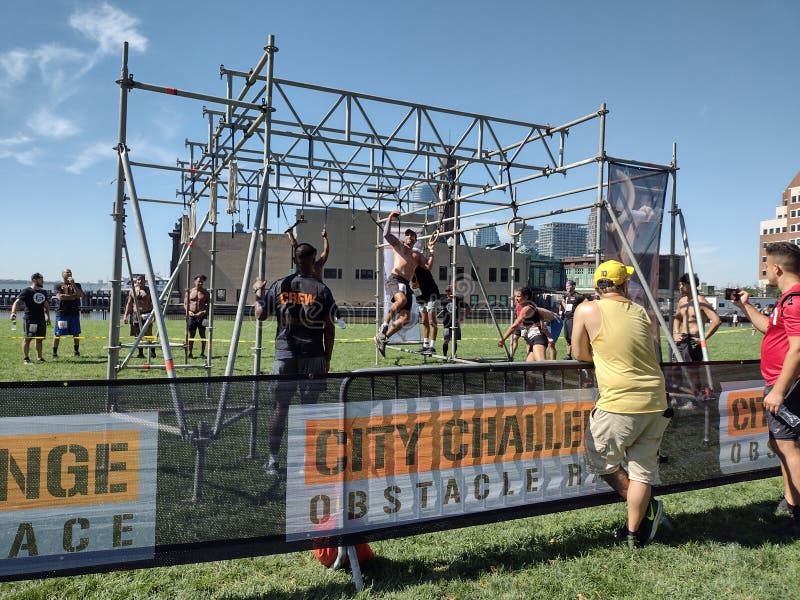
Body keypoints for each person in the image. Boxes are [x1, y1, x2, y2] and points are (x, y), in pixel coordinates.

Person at [572, 260, 671, 548]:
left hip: (620, 401)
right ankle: (633, 534)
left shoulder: (588, 308)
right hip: (655, 399)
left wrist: (601, 357)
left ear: (596, 285)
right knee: (642, 472)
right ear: (624, 284)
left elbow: (579, 353)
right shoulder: (639, 311)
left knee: (599, 459)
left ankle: (645, 514)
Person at [733, 242, 800, 535]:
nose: (765, 270)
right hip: (778, 383)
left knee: (789, 448)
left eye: (766, 264)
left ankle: (797, 514)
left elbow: (798, 348)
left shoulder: (795, 300)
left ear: (777, 268)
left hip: (785, 386)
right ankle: (790, 502)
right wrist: (745, 306)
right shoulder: (786, 300)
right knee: (780, 445)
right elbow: (769, 329)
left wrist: (779, 390)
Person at [253, 242, 336, 475]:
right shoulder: (322, 289)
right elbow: (330, 329)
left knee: (281, 408)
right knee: (309, 410)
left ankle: (273, 460)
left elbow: (260, 315)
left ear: (294, 259)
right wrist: (327, 359)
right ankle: (306, 463)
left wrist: (258, 292)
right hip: (314, 355)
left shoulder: (279, 285)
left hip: (285, 355)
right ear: (312, 261)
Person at [374, 210, 435, 357]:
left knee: (406, 318)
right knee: (401, 300)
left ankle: (383, 338)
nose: (409, 237)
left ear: (415, 239)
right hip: (394, 278)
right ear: (404, 237)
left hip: (406, 283)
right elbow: (386, 235)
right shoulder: (399, 246)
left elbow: (427, 267)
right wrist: (389, 218)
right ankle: (383, 327)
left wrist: (432, 252)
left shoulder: (417, 255)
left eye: (412, 236)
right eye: (407, 235)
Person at [499, 287, 557, 362]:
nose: (516, 299)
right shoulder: (529, 306)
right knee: (529, 368)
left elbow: (514, 326)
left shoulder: (527, 309)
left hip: (538, 337)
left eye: (518, 296)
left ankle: (553, 372)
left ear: (526, 297)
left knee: (542, 364)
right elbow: (540, 317)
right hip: (532, 338)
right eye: (515, 296)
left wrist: (502, 339)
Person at [10, 272, 51, 364]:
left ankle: (39, 358)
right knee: (28, 339)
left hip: (41, 319)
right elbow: (17, 302)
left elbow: (46, 306)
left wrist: (48, 317)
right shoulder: (27, 291)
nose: (43, 281)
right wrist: (13, 312)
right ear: (34, 280)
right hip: (30, 319)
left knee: (39, 339)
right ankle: (26, 359)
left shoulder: (43, 292)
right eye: (41, 279)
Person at [52, 268, 84, 358]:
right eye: (67, 272)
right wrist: (73, 297)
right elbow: (60, 297)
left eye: (70, 272)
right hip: (62, 313)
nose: (69, 273)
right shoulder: (58, 285)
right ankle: (54, 352)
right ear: (62, 275)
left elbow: (81, 295)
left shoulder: (77, 285)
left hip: (74, 312)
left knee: (76, 333)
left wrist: (73, 284)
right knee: (58, 333)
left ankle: (76, 351)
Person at [123, 275, 156, 358]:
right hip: (136, 314)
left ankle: (152, 351)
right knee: (137, 334)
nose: (140, 282)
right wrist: (125, 315)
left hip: (147, 313)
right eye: (138, 280)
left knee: (149, 332)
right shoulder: (132, 291)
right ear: (136, 281)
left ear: (145, 281)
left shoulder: (149, 290)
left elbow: (154, 303)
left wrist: (154, 315)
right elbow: (129, 304)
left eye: (141, 280)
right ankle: (140, 352)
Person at [413, 261, 440, 355]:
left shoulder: (421, 265)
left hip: (431, 294)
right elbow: (414, 286)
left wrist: (432, 252)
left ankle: (432, 347)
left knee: (432, 321)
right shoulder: (407, 270)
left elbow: (429, 265)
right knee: (424, 321)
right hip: (420, 295)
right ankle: (425, 346)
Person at [185, 274, 211, 359]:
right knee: (191, 335)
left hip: (202, 316)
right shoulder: (189, 292)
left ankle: (202, 353)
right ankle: (190, 353)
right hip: (191, 316)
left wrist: (203, 311)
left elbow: (209, 305)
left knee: (203, 334)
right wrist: (188, 311)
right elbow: (185, 304)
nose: (200, 283)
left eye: (202, 282)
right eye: (199, 281)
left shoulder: (206, 293)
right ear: (195, 281)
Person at [441, 285, 470, 357]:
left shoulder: (458, 300)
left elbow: (468, 307)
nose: (448, 292)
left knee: (455, 340)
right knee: (446, 340)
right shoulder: (443, 301)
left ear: (453, 291)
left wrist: (463, 317)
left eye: (449, 290)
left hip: (455, 323)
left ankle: (453, 356)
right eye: (447, 291)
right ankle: (444, 356)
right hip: (446, 324)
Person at [561, 279, 585, 359]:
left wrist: (578, 312)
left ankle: (578, 355)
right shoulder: (566, 295)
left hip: (573, 319)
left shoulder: (578, 296)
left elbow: (585, 302)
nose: (567, 287)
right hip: (566, 318)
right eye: (566, 285)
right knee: (567, 337)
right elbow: (563, 301)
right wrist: (565, 308)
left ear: (573, 286)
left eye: (569, 285)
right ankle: (568, 355)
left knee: (573, 338)